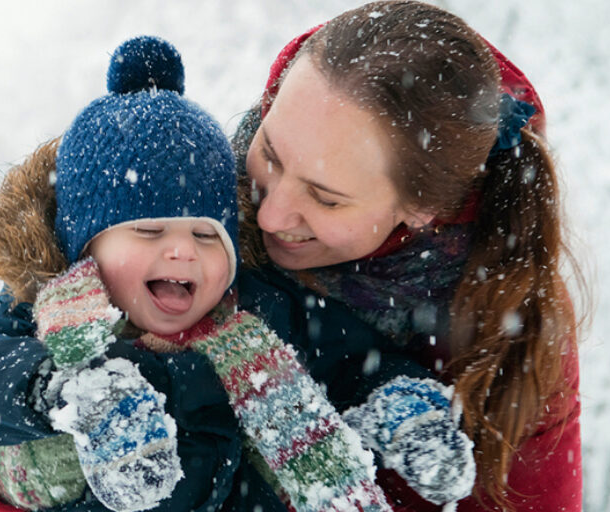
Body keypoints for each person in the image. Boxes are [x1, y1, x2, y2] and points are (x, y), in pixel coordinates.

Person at [0, 35, 475, 512]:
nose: (184, 253)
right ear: (86, 248)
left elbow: (355, 360)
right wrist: (56, 390)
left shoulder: (259, 312)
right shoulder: (48, 318)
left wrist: (401, 408)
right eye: (149, 232)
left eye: (207, 235)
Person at [229, 2, 584, 510]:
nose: (271, 215)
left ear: (422, 209)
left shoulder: (510, 329)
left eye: (326, 198)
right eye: (269, 152)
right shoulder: (194, 213)